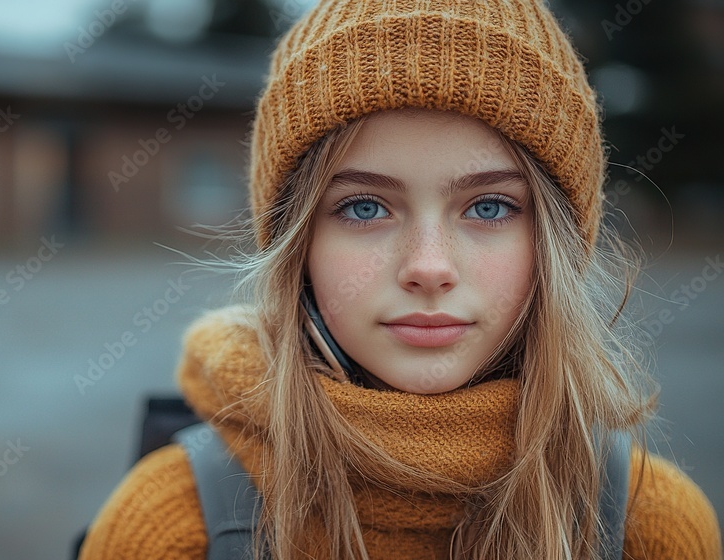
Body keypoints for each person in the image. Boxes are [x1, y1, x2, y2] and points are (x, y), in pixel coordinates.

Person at [79, 0, 721, 558]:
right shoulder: (170, 528)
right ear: (295, 243)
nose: (429, 267)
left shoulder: (650, 526)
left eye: (489, 206)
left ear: (553, 241)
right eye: (364, 207)